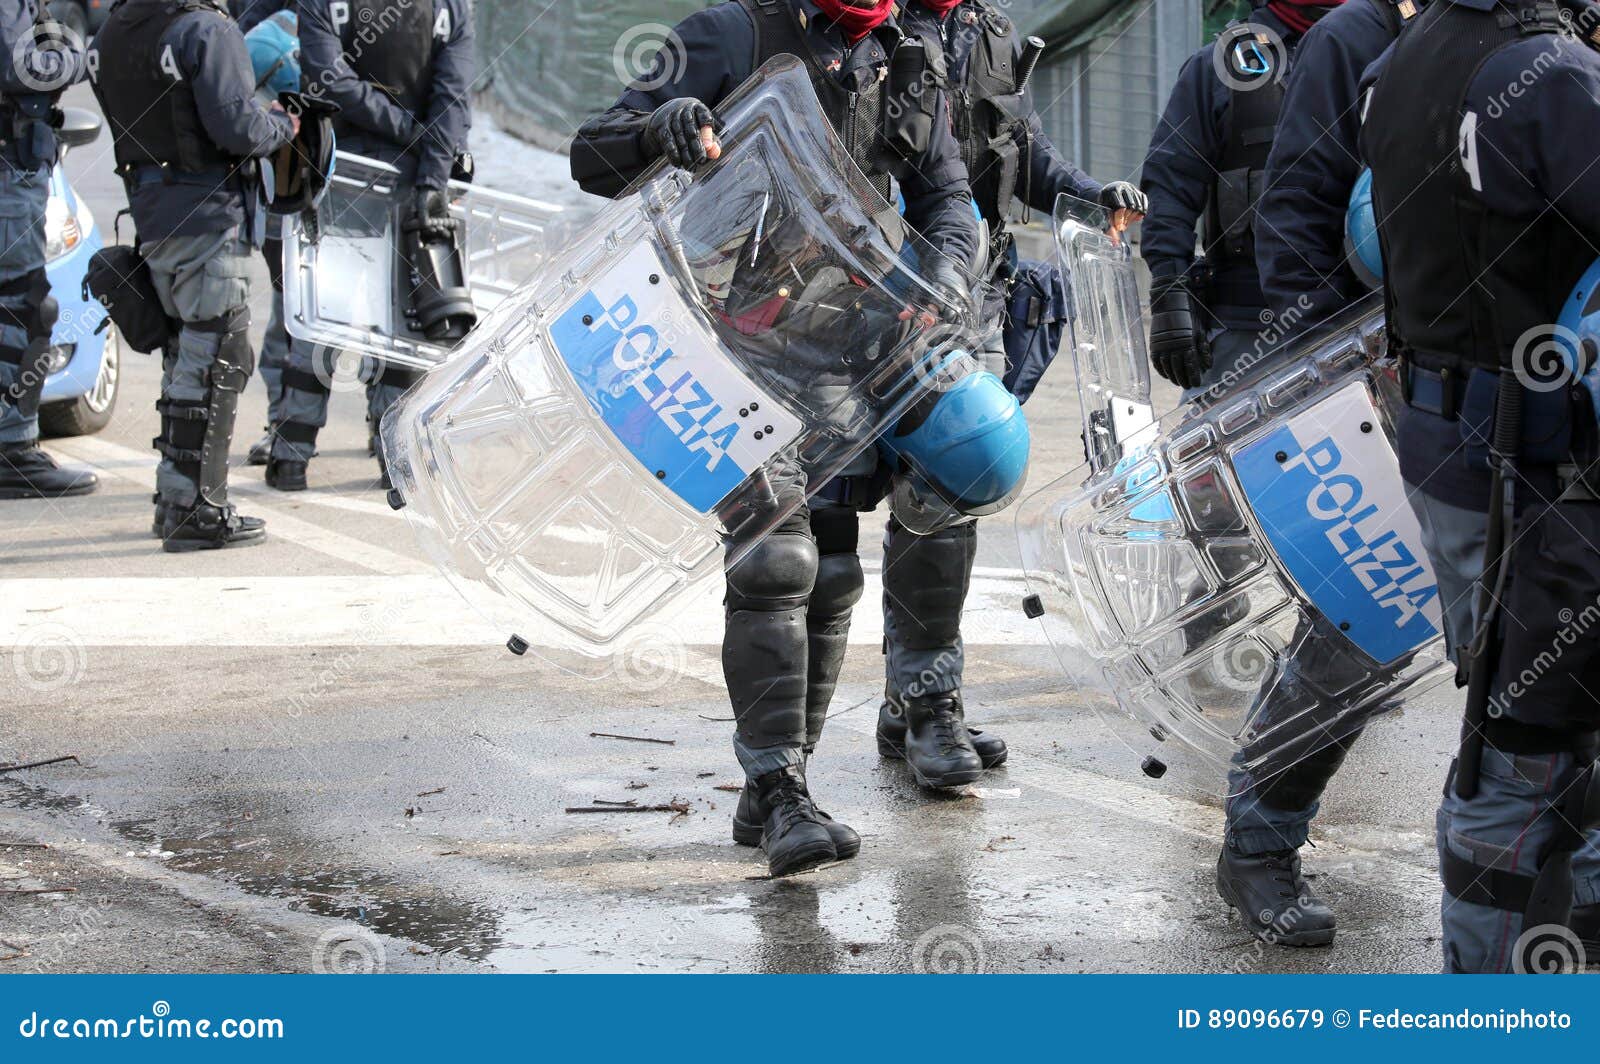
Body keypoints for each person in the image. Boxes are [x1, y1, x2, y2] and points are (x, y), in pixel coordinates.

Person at [572, 0, 980, 877]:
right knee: (773, 563)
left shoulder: (905, 50)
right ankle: (781, 791)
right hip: (727, 341)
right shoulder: (735, 31)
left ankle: (777, 789)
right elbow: (590, 154)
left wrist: (945, 276)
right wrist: (660, 128)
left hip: (846, 340)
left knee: (831, 574)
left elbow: (949, 194)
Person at [1362, 0, 1600, 974]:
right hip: (1538, 466)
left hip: (1447, 431)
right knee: (1527, 746)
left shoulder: (1408, 51)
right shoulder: (1550, 75)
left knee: (1519, 715)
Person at [881, 0, 1145, 791]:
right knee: (820, 538)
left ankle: (925, 707)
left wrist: (1090, 194)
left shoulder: (989, 31)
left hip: (974, 294)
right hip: (871, 292)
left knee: (944, 498)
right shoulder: (862, 24)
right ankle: (782, 768)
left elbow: (1020, 153)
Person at [1206, 0, 1424, 947]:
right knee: (1358, 624)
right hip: (1388, 377)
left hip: (1534, 387)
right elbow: (1295, 217)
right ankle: (1260, 844)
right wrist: (1331, 375)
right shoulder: (1355, 38)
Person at [87, 0, 296, 550]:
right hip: (208, 214)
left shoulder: (115, 29)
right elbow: (237, 127)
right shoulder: (206, 28)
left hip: (153, 214)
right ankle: (194, 510)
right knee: (215, 360)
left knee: (187, 357)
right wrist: (282, 125)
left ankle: (178, 499)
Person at [268, 0, 474, 491]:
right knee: (400, 319)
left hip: (339, 167)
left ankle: (290, 457)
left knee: (323, 312)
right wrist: (431, 172)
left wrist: (419, 149)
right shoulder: (448, 8)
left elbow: (326, 80)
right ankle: (393, 459)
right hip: (406, 173)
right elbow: (452, 97)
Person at [1140, 1, 1333, 394]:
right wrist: (1169, 289)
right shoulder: (1218, 67)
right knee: (1223, 451)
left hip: (1365, 322)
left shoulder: (1387, 47)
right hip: (1247, 329)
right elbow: (1171, 185)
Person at [1256, 0, 1422, 335]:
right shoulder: (1348, 37)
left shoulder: (1540, 35)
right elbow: (1296, 207)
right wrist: (1329, 354)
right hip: (1372, 335)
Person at [0, 1, 97, 500]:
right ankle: (10, 452)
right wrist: (74, 47)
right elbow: (27, 66)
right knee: (20, 306)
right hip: (7, 170)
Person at [236, 2, 299, 468]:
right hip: (285, 173)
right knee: (291, 301)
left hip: (319, 168)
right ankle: (285, 424)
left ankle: (288, 425)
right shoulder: (263, 28)